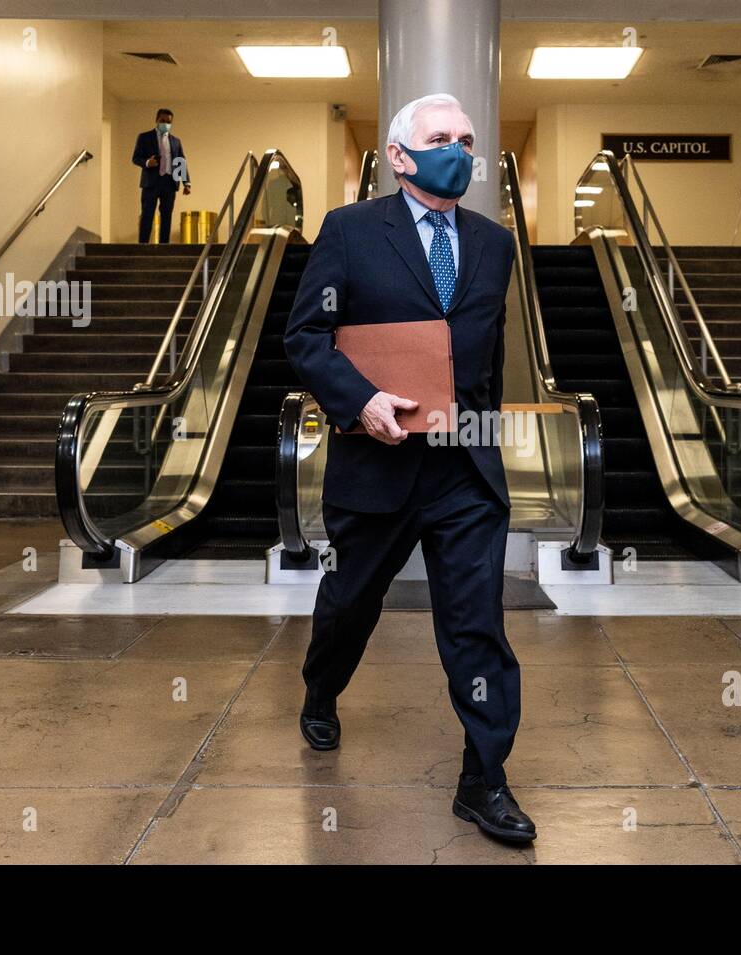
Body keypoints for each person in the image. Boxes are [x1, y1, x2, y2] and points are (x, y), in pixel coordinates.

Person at [283, 92, 532, 843]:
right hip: (377, 465)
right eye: (438, 138)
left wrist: (482, 431)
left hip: (463, 472)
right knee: (351, 603)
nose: (457, 149)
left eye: (465, 138)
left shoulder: (494, 244)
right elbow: (306, 336)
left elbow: (485, 356)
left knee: (476, 625)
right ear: (399, 156)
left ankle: (483, 780)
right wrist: (359, 402)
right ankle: (322, 687)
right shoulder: (351, 233)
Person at [131, 108, 190, 244]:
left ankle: (164, 245)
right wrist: (147, 162)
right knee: (147, 215)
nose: (165, 124)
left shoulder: (176, 141)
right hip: (151, 182)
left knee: (167, 216)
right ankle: (143, 245)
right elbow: (135, 158)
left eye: (168, 122)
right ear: (156, 120)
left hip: (169, 182)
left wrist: (186, 183)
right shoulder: (144, 137)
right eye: (162, 121)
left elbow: (180, 161)